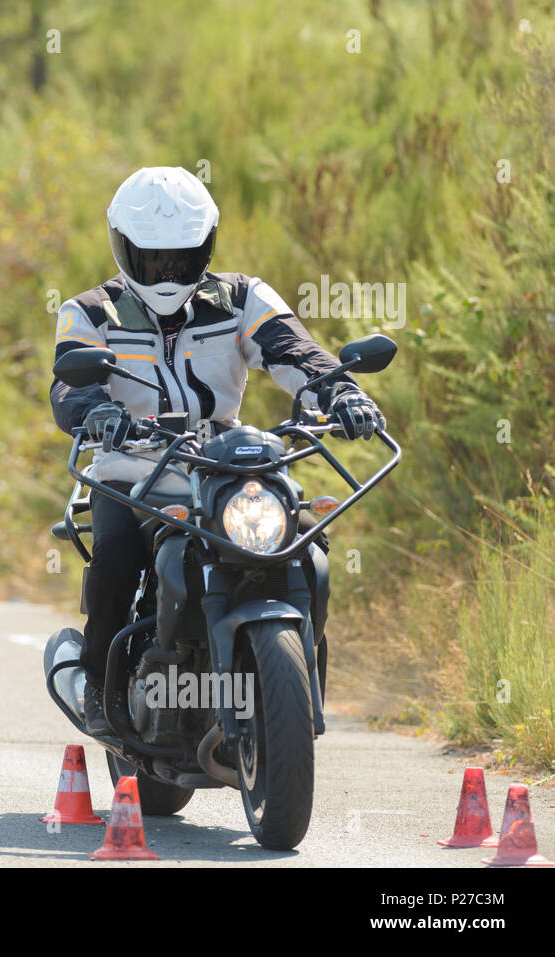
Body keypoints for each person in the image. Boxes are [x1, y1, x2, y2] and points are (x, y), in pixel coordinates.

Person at [50, 166, 385, 735]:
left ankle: (296, 678)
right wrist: (98, 411)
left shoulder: (241, 296)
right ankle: (99, 689)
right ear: (122, 247)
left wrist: (342, 391)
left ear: (206, 245)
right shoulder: (90, 312)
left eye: (180, 258)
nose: (167, 272)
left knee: (306, 542)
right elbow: (69, 384)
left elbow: (294, 351)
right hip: (134, 466)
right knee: (115, 555)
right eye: (152, 258)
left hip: (226, 462)